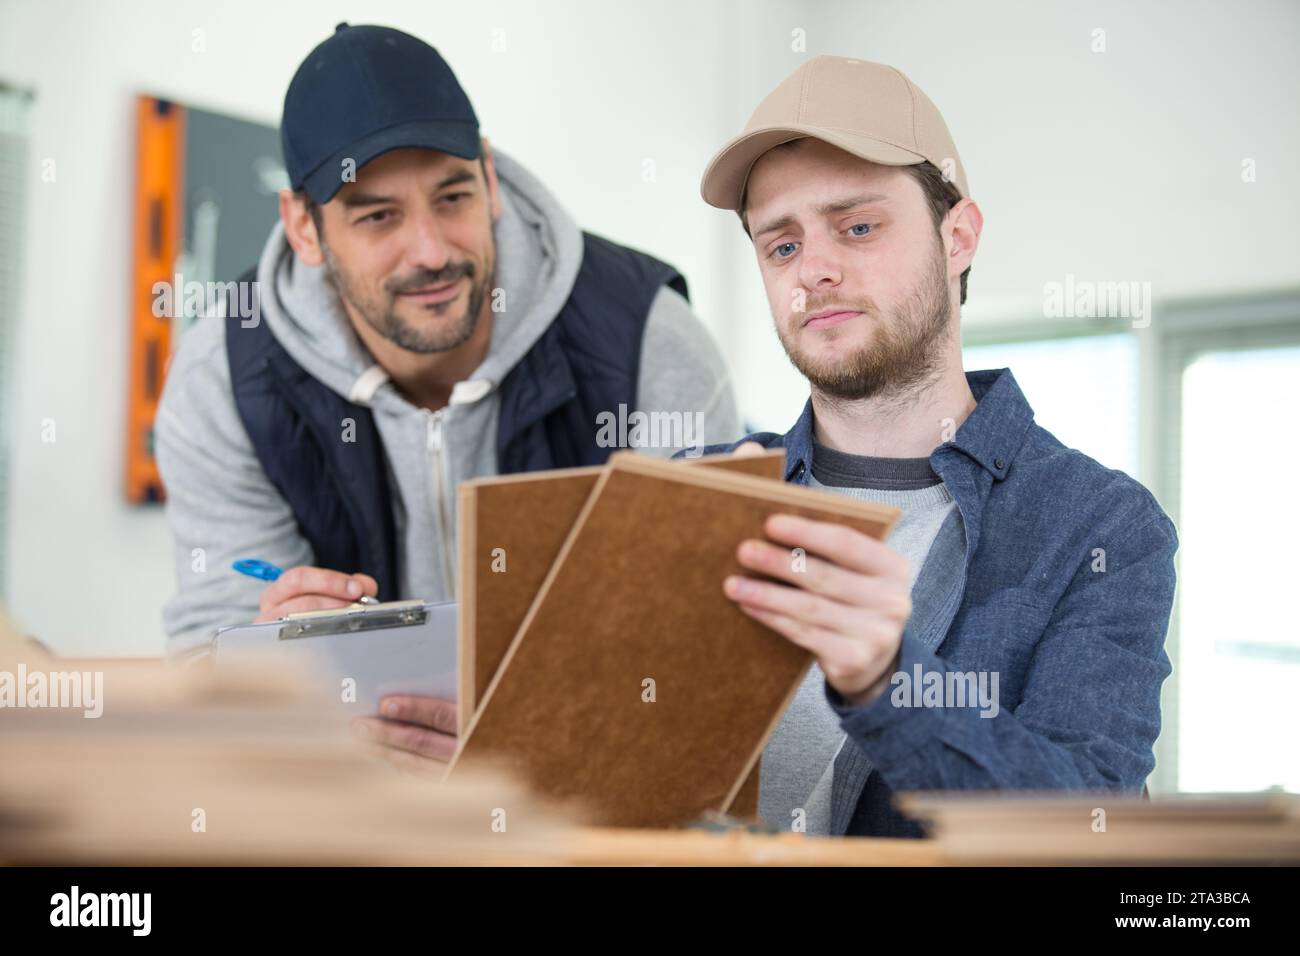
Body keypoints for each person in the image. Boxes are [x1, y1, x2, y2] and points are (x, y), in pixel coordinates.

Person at [157, 22, 741, 694]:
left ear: (490, 179)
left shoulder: (647, 342)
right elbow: (207, 652)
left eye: (453, 197)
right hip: (355, 784)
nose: (431, 251)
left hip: (591, 784)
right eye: (378, 216)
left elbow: (710, 647)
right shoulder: (223, 382)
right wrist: (271, 665)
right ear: (302, 228)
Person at [686, 56, 1177, 837]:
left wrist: (888, 681)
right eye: (780, 246)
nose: (812, 269)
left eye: (857, 226)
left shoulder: (1099, 527)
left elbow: (1090, 826)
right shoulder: (693, 493)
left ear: (959, 238)